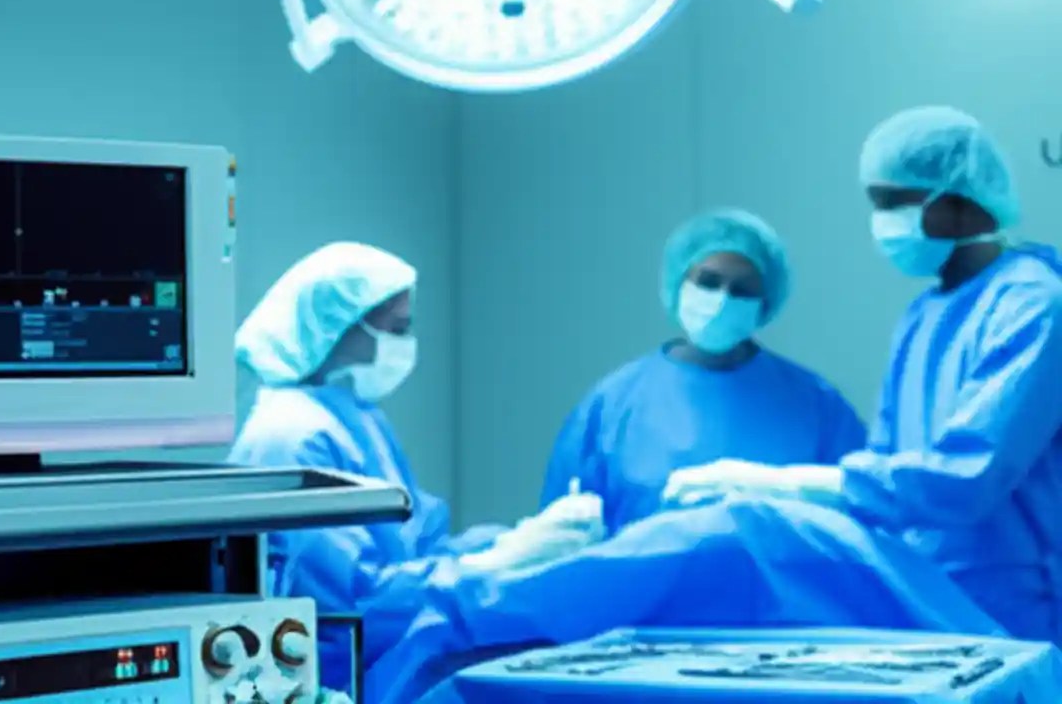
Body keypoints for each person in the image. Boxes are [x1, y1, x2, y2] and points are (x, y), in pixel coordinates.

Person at [664, 106, 1062, 644]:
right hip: (922, 599)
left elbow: (966, 480)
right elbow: (884, 472)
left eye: (893, 203)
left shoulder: (1032, 302)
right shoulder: (923, 315)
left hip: (1013, 615)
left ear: (962, 204)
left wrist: (788, 483)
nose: (881, 223)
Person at [229, 241, 605, 693]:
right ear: (337, 327)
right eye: (397, 328)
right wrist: (499, 561)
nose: (405, 343)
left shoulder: (354, 416)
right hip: (344, 677)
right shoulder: (290, 437)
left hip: (389, 653)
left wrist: (513, 540)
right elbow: (355, 603)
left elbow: (415, 549)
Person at [542, 209, 866, 532]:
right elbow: (558, 537)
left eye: (742, 290)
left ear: (765, 304)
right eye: (709, 282)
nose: (722, 300)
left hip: (774, 585)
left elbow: (858, 519)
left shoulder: (815, 406)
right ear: (678, 282)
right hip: (644, 585)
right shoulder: (613, 405)